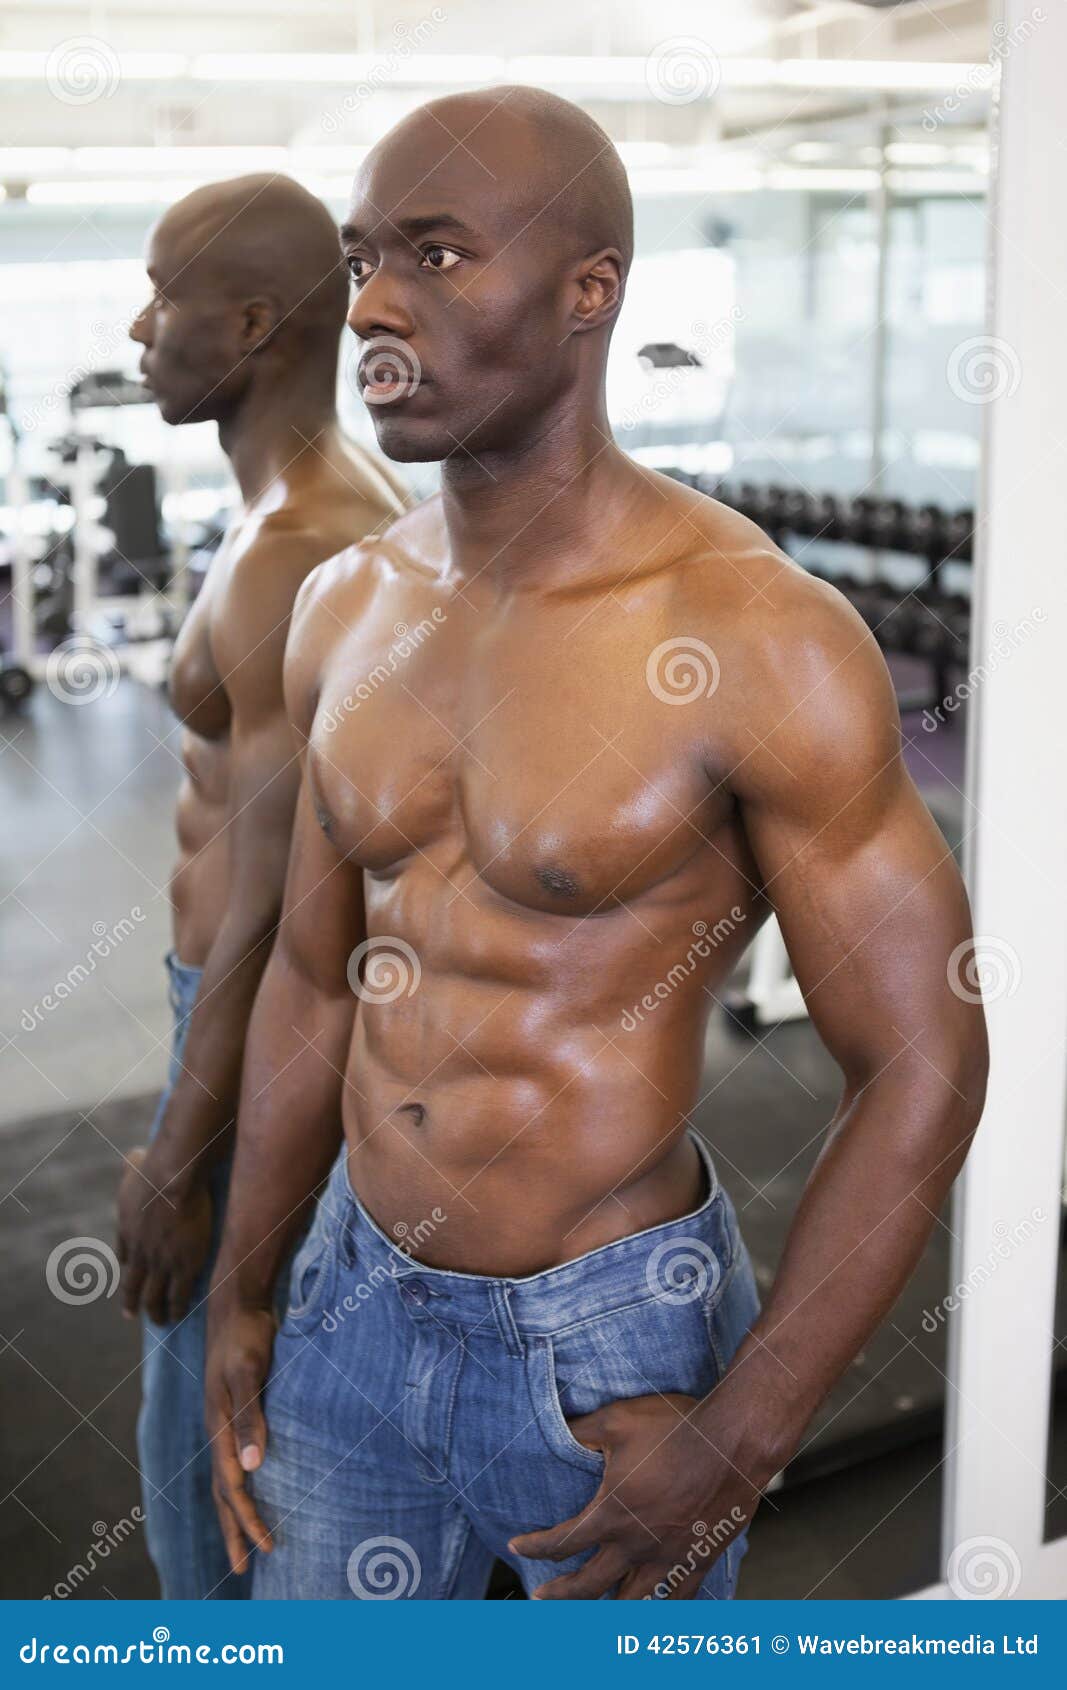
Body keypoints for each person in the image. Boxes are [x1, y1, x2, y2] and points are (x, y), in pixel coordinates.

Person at [205, 91, 988, 1602]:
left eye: (437, 255)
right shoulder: (346, 605)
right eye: (367, 255)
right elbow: (312, 977)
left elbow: (926, 1062)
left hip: (612, 1344)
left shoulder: (754, 633)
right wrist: (251, 1286)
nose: (373, 302)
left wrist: (740, 1435)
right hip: (348, 1298)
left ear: (590, 292)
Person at [116, 173, 407, 1599]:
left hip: (252, 1039)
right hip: (235, 1022)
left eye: (159, 296)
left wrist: (180, 1152)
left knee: (202, 1467)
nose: (136, 325)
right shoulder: (292, 511)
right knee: (224, 1429)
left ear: (244, 325)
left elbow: (283, 901)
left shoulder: (304, 544)